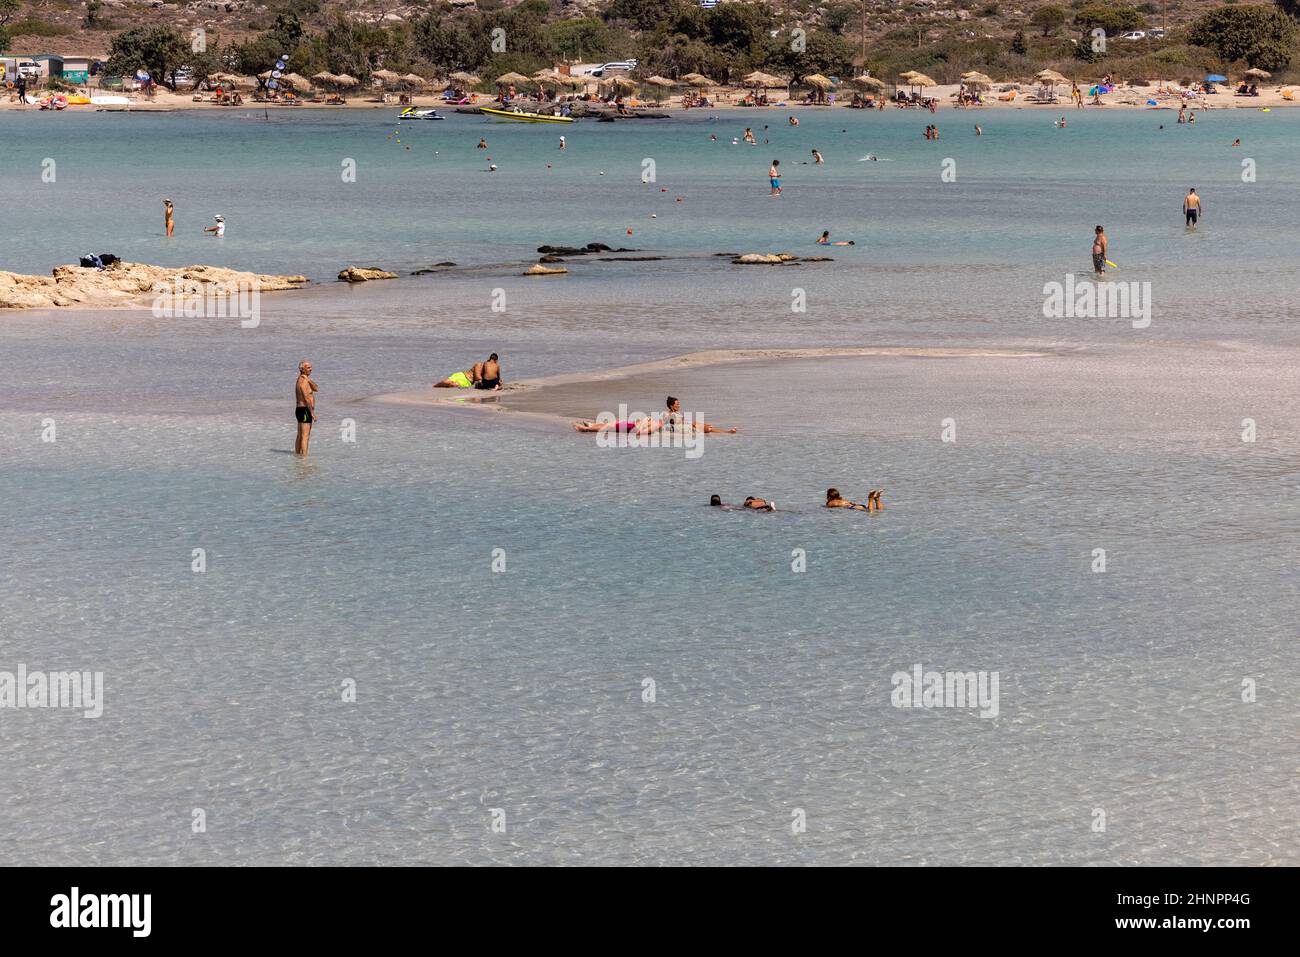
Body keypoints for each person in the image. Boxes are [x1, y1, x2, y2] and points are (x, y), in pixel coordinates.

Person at [661, 396, 737, 434]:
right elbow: (670, 422)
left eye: (679, 404)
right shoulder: (670, 414)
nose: (679, 405)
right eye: (677, 404)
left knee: (709, 426)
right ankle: (727, 432)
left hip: (690, 425)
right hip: (688, 428)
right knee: (709, 429)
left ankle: (725, 431)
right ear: (671, 406)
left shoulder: (677, 413)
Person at [294, 361, 317, 456]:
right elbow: (306, 398)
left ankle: (297, 456)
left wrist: (308, 379)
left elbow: (316, 388)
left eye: (311, 367)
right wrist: (311, 412)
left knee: (300, 435)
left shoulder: (304, 380)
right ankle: (304, 460)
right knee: (305, 436)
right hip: (305, 410)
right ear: (302, 369)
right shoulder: (303, 382)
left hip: (300, 410)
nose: (311, 369)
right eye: (308, 368)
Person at [572, 415, 662, 435]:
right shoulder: (657, 422)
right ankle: (591, 425)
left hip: (631, 427)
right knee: (610, 425)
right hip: (631, 425)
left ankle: (585, 428)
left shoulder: (657, 424)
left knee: (609, 426)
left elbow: (640, 432)